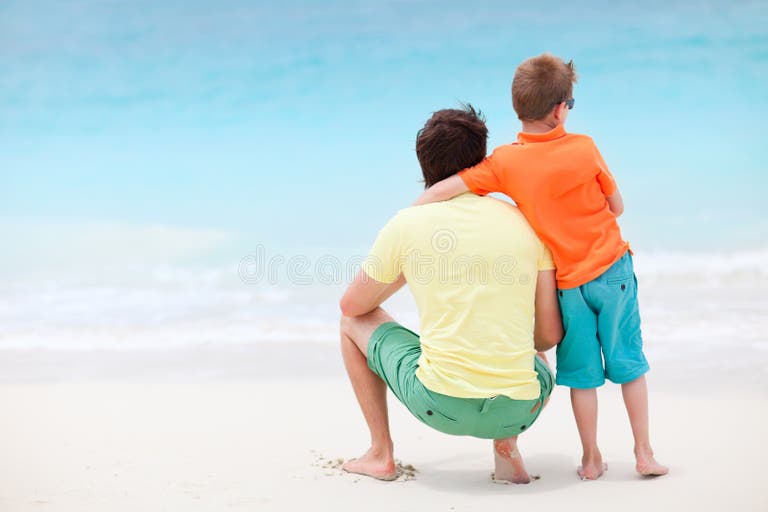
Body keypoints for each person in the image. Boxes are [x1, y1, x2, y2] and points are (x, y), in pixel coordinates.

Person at [412, 54, 668, 480]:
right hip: (613, 271)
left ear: (518, 108)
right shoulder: (584, 148)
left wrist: (416, 212)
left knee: (583, 376)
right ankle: (644, 453)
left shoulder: (504, 163)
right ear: (560, 108)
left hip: (568, 285)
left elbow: (446, 189)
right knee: (629, 365)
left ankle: (590, 459)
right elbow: (617, 206)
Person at [339, 105, 563, 484]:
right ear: (480, 161)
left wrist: (412, 270)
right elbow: (548, 336)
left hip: (441, 406)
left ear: (423, 164)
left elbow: (354, 305)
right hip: (524, 407)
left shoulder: (408, 223)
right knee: (525, 343)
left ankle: (380, 453)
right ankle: (506, 448)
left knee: (350, 323)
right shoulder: (523, 221)